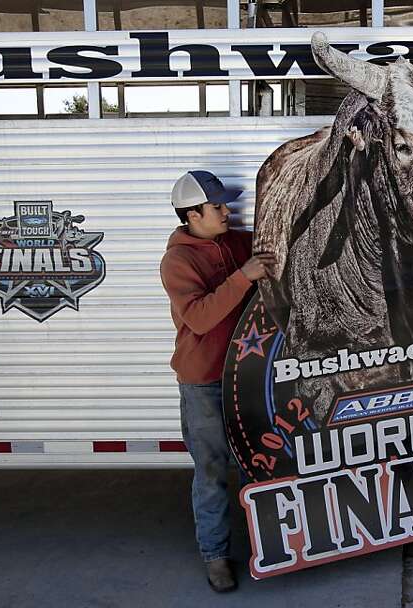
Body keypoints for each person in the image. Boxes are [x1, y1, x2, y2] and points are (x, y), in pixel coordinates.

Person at [159, 170, 274, 593]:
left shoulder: (237, 242)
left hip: (249, 377)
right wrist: (245, 276)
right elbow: (201, 317)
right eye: (218, 207)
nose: (229, 212)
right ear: (192, 215)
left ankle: (271, 545)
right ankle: (216, 556)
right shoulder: (177, 260)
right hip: (204, 380)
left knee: (258, 465)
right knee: (210, 472)